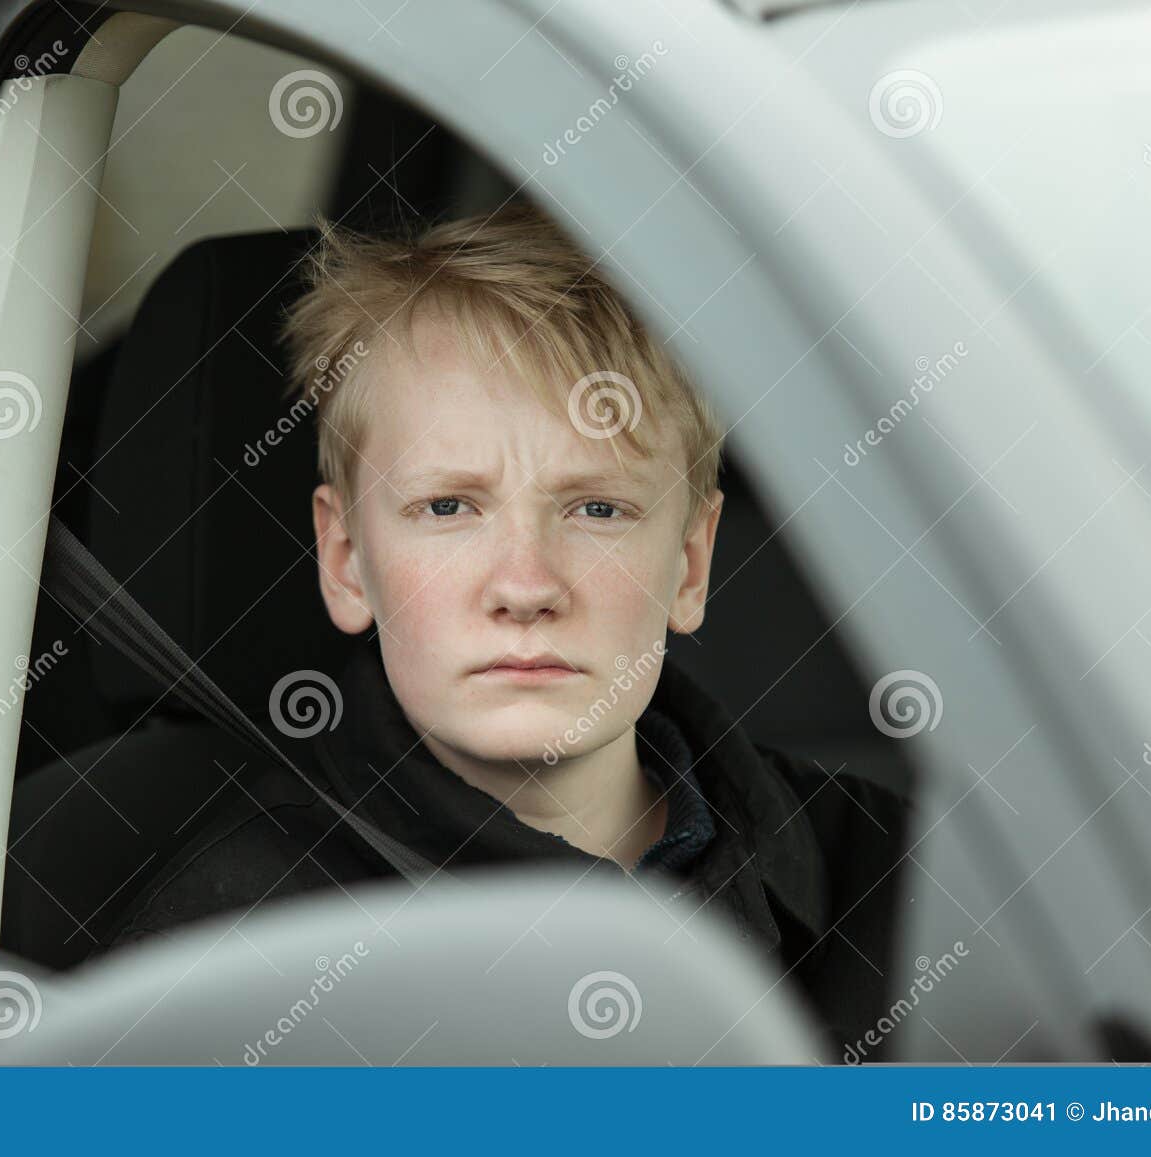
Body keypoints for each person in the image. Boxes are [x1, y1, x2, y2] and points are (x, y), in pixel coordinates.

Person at [99, 205, 911, 1054]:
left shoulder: (894, 877)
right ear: (345, 560)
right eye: (447, 507)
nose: (525, 586)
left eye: (598, 508)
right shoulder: (233, 963)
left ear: (691, 564)